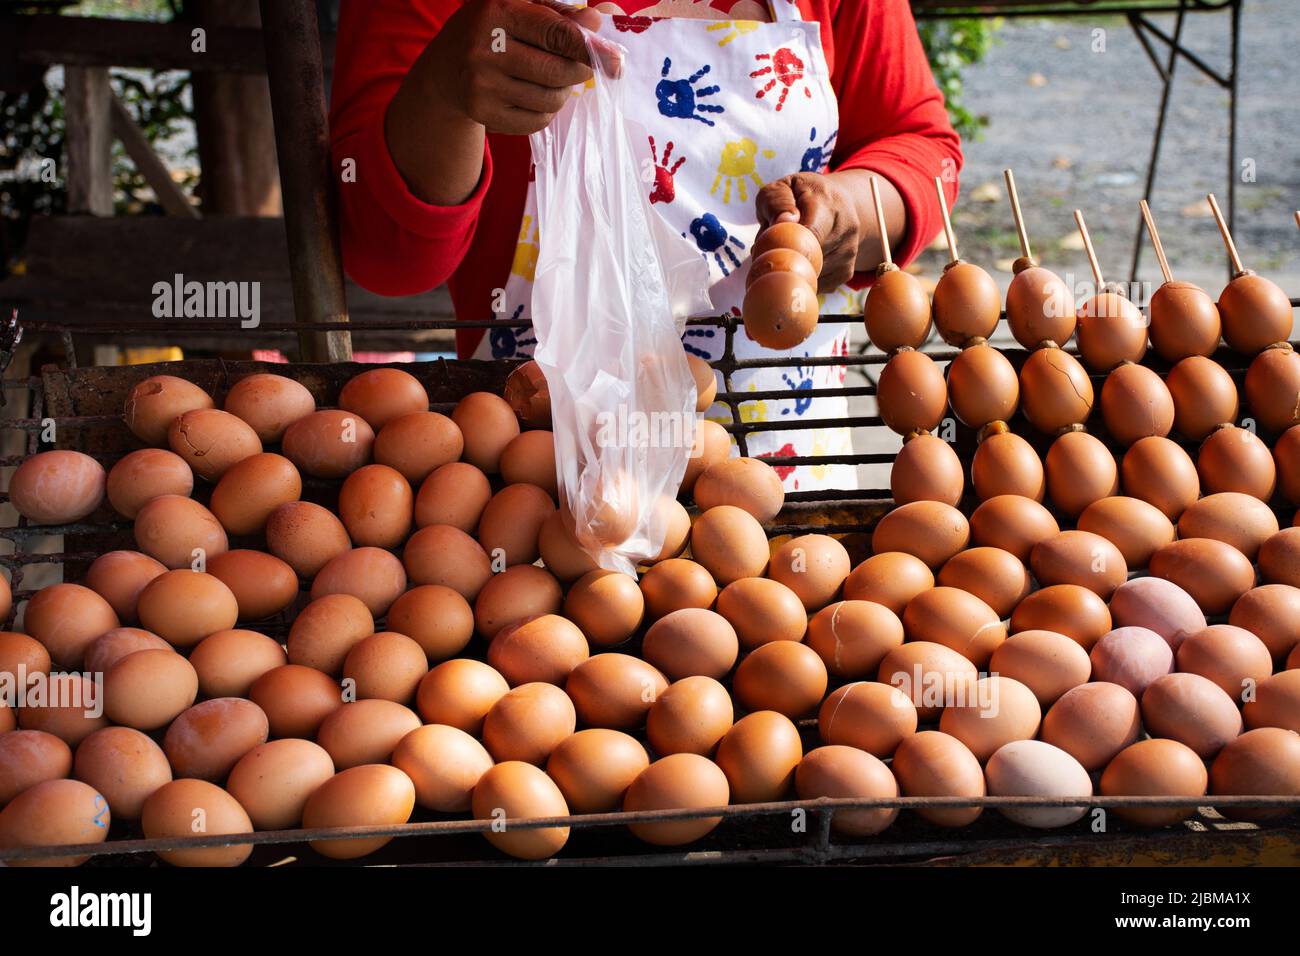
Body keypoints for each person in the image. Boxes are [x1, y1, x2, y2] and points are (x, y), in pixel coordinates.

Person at [330, 0, 962, 491]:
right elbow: (383, 257)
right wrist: (442, 95)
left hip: (783, 479)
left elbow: (922, 144)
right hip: (532, 485)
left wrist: (854, 204)